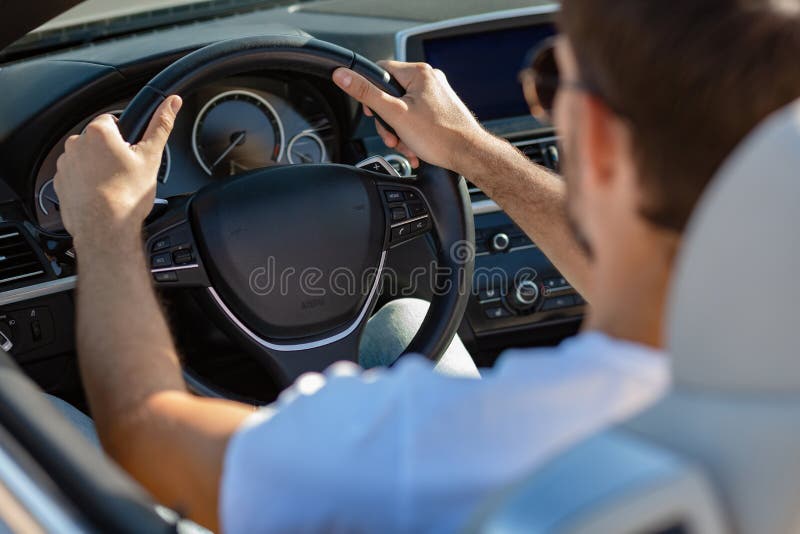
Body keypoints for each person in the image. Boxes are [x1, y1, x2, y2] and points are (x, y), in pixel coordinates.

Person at [51, 0, 800, 532]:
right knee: (409, 322)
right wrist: (474, 155)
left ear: (596, 142)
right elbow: (669, 299)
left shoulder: (439, 455)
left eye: (551, 79)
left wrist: (107, 226)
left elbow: (147, 435)